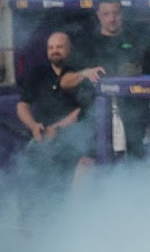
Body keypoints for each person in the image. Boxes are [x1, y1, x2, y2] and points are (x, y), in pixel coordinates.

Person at [70, 0, 150, 159]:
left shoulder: (138, 41)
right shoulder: (86, 44)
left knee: (139, 164)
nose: (112, 19)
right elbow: (65, 80)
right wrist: (84, 73)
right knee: (88, 163)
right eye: (106, 14)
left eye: (116, 13)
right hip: (97, 119)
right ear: (98, 15)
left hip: (136, 117)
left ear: (123, 14)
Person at [16, 31, 96, 186]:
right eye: (50, 47)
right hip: (42, 138)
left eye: (59, 47)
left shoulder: (80, 72)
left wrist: (57, 128)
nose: (54, 51)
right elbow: (22, 105)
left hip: (73, 138)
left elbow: (83, 109)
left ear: (69, 49)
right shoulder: (37, 74)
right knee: (27, 167)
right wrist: (33, 126)